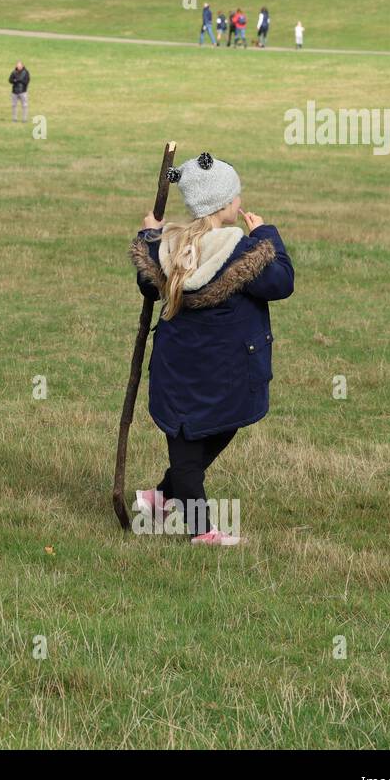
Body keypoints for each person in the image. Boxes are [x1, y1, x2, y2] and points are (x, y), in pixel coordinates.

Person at [130, 152, 294, 545]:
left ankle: (159, 500)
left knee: (203, 436)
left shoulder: (169, 249)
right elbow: (282, 282)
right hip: (224, 374)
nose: (240, 203)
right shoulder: (243, 253)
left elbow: (148, 285)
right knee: (188, 454)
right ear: (223, 206)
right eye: (236, 197)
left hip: (179, 374)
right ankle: (202, 532)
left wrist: (149, 236)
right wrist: (266, 234)